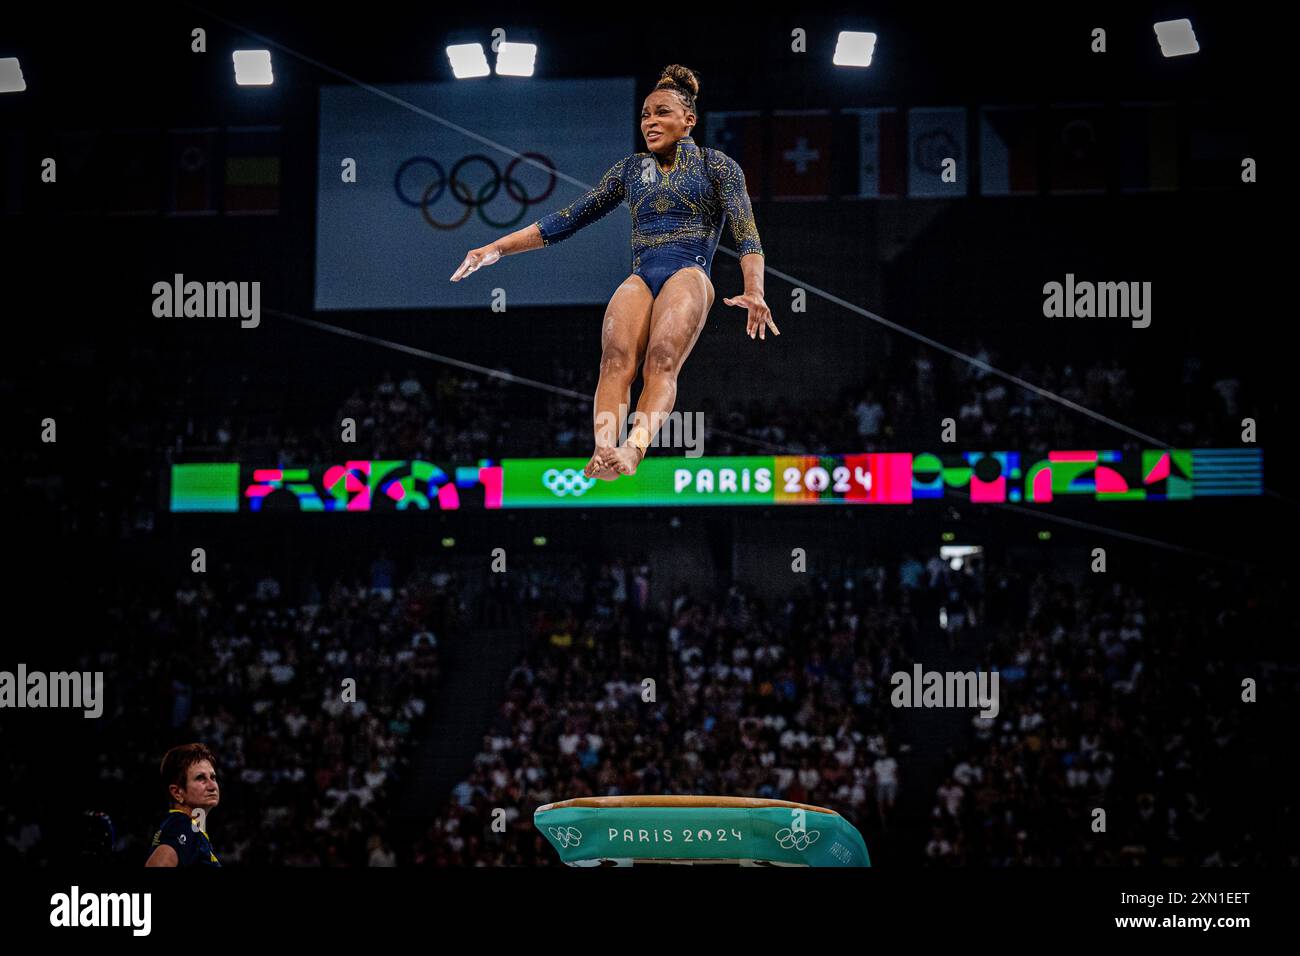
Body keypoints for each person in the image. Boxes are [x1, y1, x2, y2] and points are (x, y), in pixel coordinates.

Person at [452, 64, 778, 479]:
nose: (650, 122)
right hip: (643, 272)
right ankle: (605, 449)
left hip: (689, 270)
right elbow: (566, 219)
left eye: (661, 112)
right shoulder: (630, 171)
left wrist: (755, 289)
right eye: (644, 114)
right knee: (614, 359)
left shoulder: (718, 167)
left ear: (689, 120)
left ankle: (633, 448)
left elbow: (746, 232)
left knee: (660, 359)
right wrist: (495, 247)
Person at [144, 743, 222, 867]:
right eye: (200, 778)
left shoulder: (191, 828)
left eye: (213, 777)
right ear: (177, 792)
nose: (212, 786)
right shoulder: (182, 826)